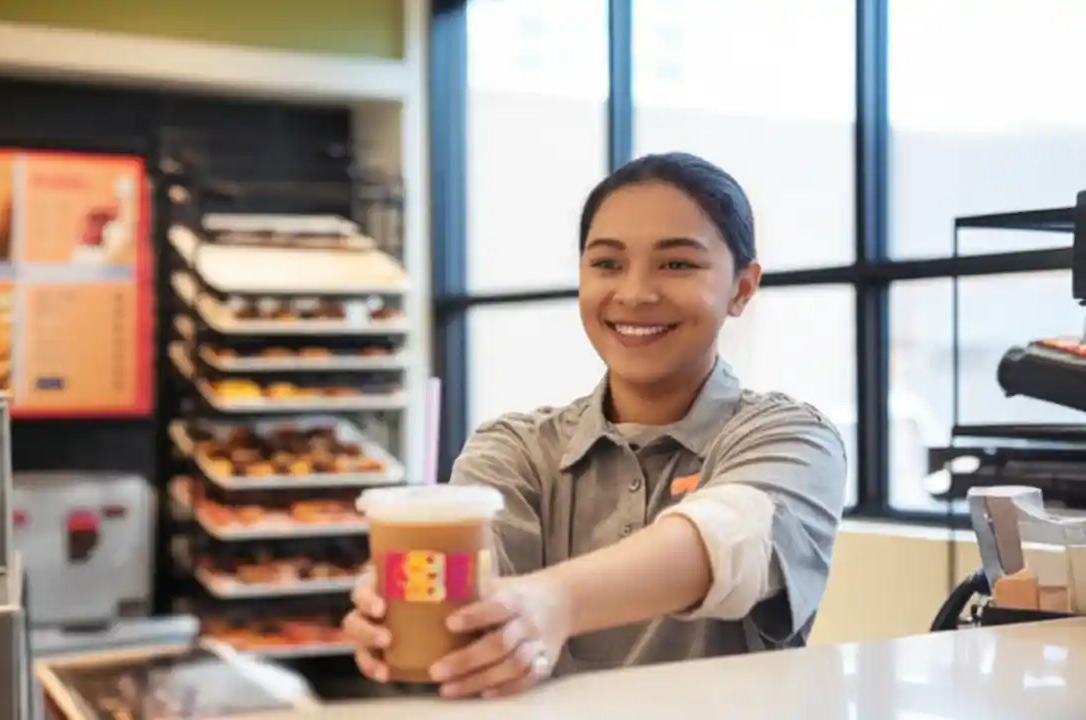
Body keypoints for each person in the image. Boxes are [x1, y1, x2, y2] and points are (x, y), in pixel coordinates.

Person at [343, 152, 848, 700]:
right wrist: (409, 598)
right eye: (607, 264)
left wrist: (552, 603)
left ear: (742, 289)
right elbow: (473, 582)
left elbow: (729, 540)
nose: (634, 293)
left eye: (677, 264)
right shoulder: (515, 448)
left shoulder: (791, 437)